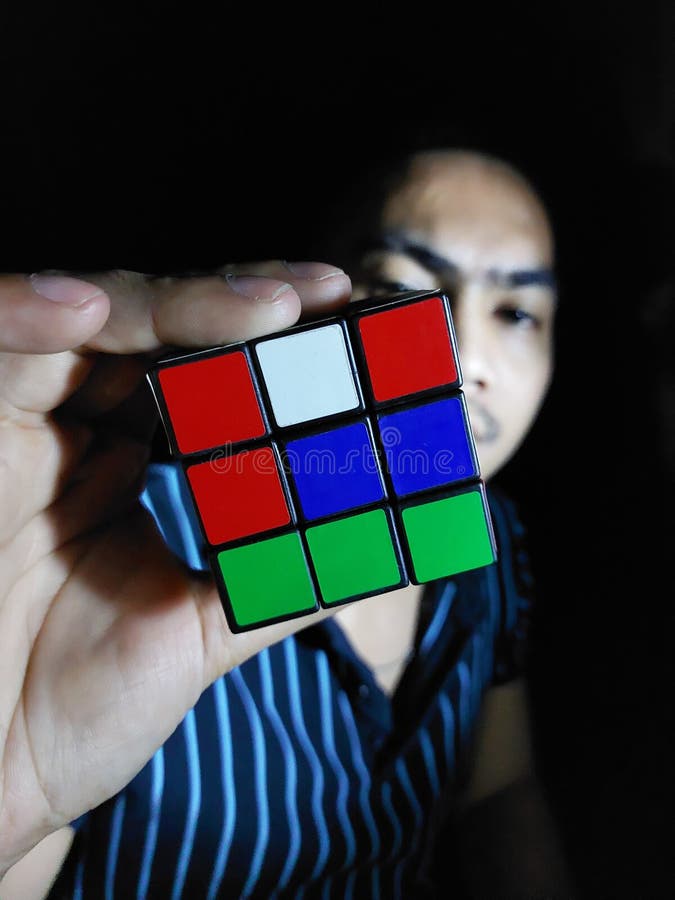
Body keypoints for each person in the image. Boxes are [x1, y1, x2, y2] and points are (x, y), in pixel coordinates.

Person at [0, 150, 575, 898]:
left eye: (516, 312)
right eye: (400, 291)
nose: (462, 355)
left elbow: (498, 793)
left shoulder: (494, 545)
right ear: (310, 306)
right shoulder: (113, 533)